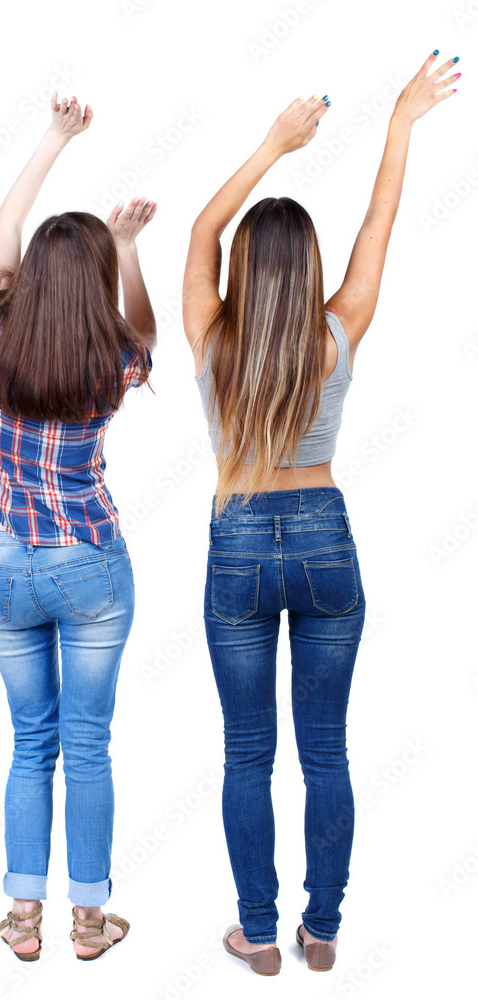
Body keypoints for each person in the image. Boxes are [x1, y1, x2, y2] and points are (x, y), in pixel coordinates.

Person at [182, 51, 459, 975]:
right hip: (325, 536)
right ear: (307, 273)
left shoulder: (211, 336)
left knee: (247, 754)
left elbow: (200, 232)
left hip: (236, 540)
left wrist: (274, 146)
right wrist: (400, 122)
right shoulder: (339, 329)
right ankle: (324, 929)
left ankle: (257, 933)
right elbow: (381, 222)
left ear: (246, 276)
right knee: (328, 753)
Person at [0, 93, 157, 961]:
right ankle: (90, 920)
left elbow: (9, 220)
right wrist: (125, 250)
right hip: (89, 565)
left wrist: (54, 135)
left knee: (29, 742)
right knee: (87, 745)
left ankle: (20, 919)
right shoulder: (113, 357)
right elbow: (147, 329)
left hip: (6, 564)